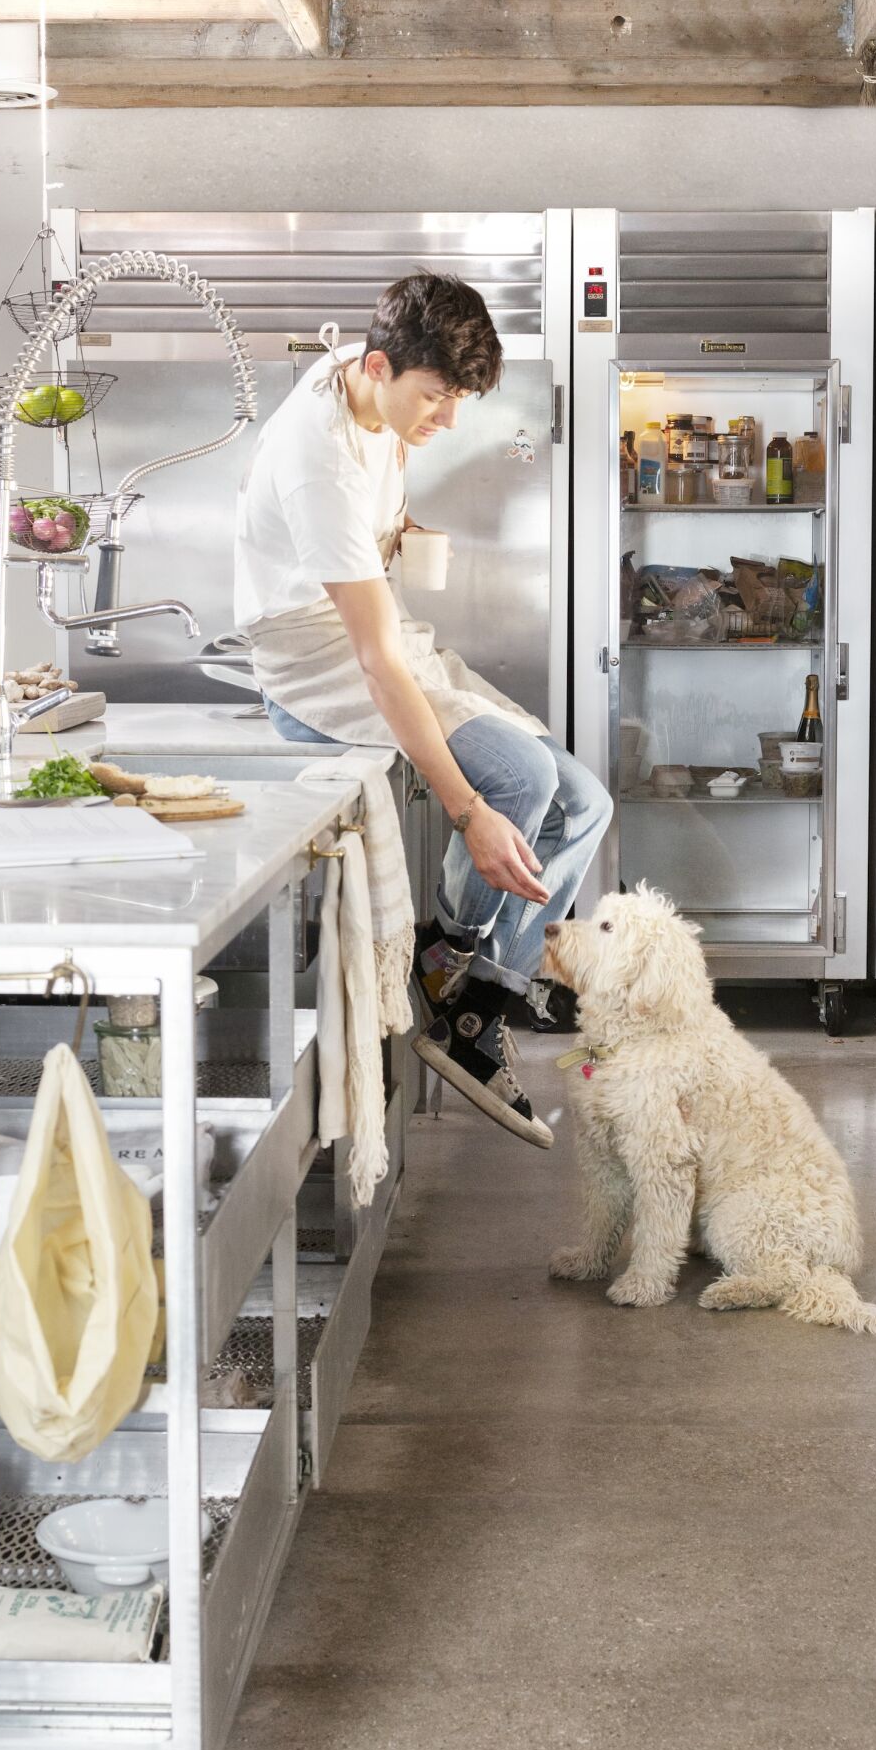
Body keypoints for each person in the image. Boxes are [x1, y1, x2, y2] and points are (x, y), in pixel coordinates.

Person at [234, 272, 611, 1150]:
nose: (446, 421)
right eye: (435, 398)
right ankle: (455, 973)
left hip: (383, 634)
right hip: (314, 663)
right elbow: (371, 662)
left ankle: (473, 997)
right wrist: (468, 812)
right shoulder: (314, 457)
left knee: (585, 801)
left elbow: (382, 615)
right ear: (378, 366)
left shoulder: (374, 389)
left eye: (458, 401)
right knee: (521, 779)